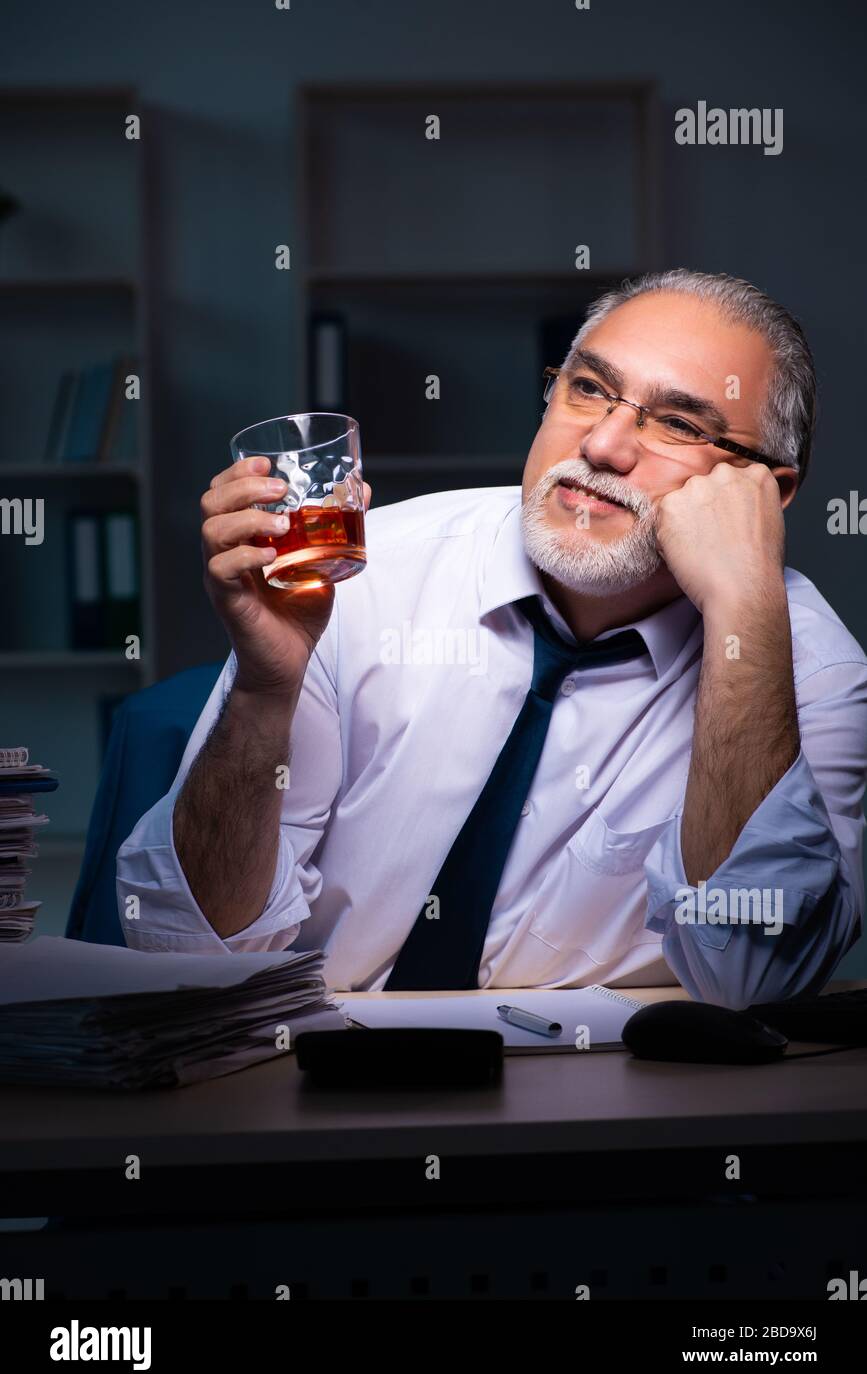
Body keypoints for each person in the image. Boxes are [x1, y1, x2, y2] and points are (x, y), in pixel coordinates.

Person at [117, 269, 867, 1007]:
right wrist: (263, 688)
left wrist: (742, 608)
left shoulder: (812, 669)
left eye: (677, 424)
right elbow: (186, 949)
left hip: (595, 1108)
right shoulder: (363, 577)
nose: (603, 445)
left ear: (765, 489)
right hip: (312, 1083)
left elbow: (753, 975)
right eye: (589, 389)